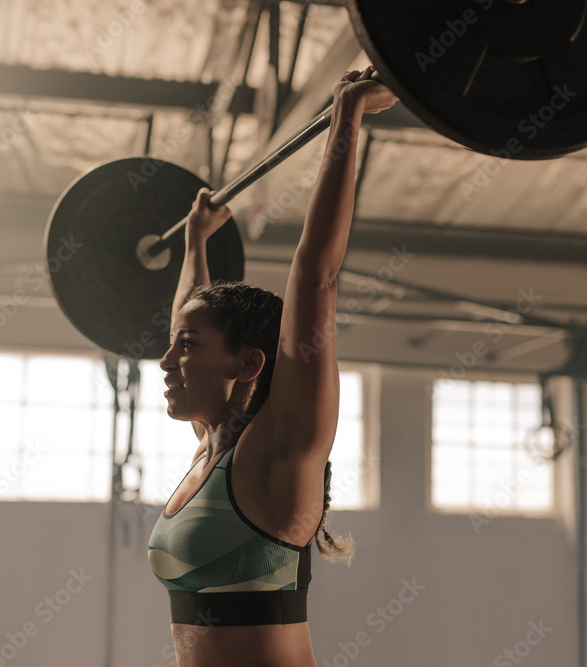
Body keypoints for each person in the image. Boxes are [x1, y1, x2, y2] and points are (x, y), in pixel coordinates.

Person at [147, 66, 398, 667]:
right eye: (175, 343)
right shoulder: (213, 449)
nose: (165, 359)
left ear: (249, 362)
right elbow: (189, 322)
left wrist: (348, 117)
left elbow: (317, 274)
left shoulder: (280, 448)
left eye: (185, 347)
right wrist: (196, 244)